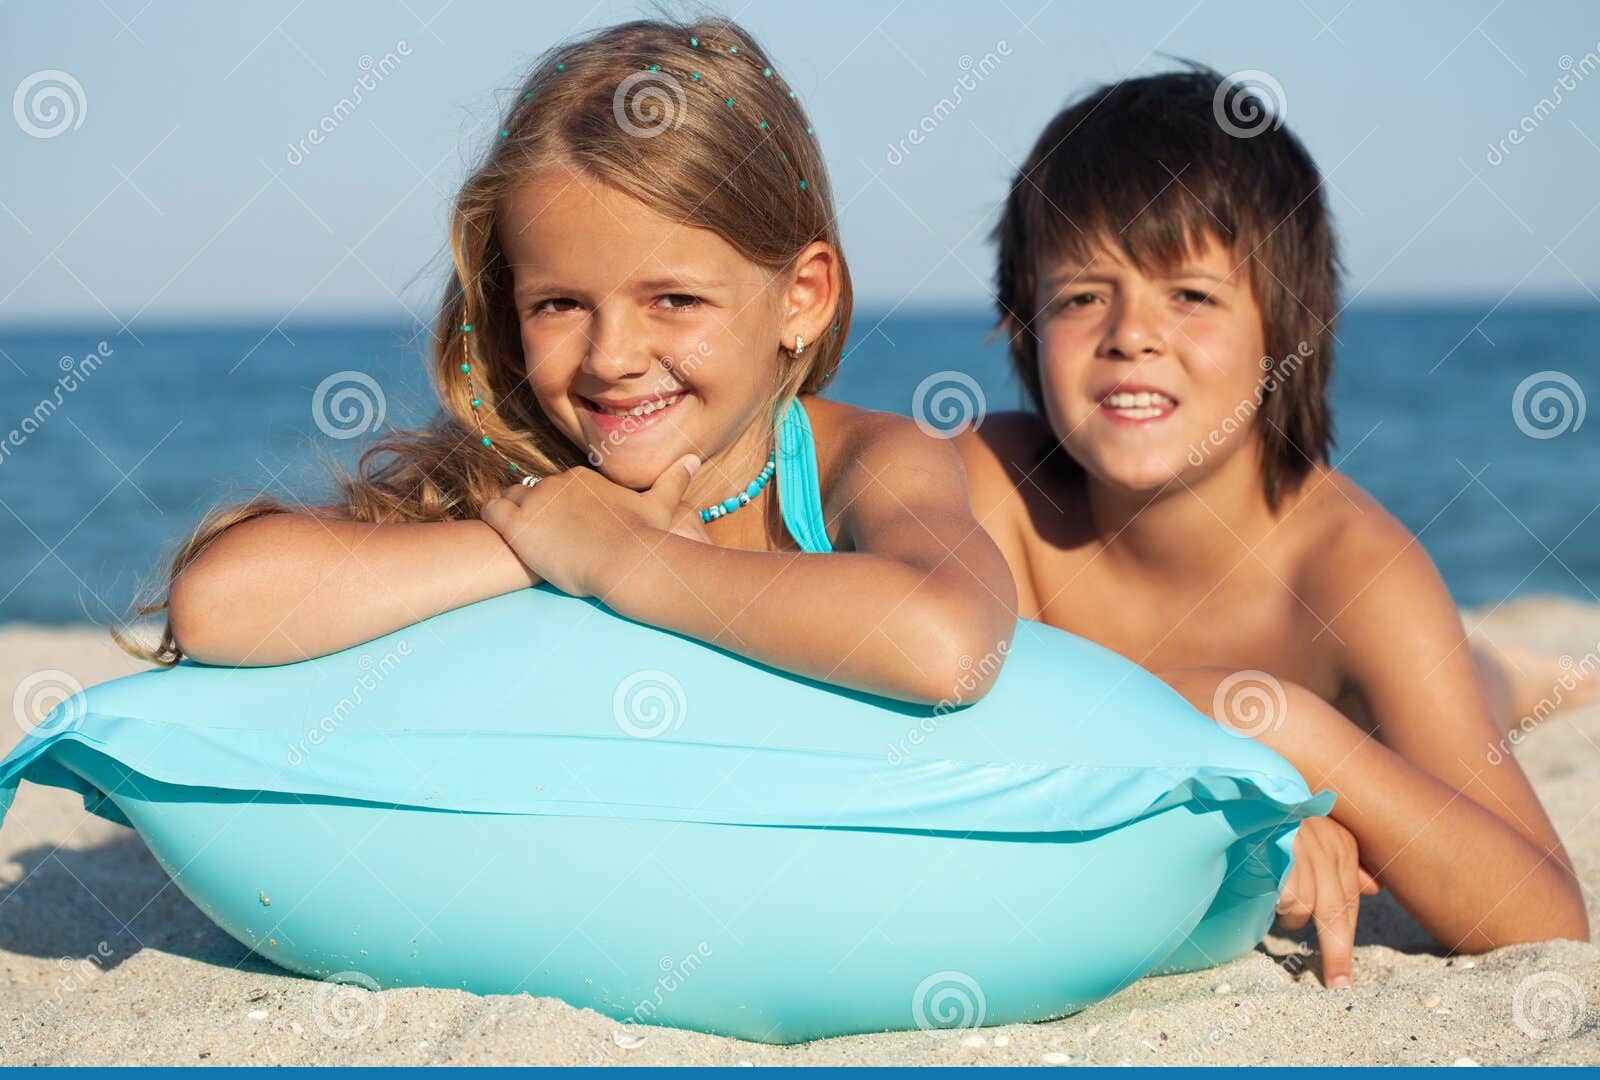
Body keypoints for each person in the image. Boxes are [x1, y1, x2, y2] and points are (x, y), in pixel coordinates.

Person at [120, 17, 1018, 710]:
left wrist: (627, 560)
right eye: (559, 305)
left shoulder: (860, 463)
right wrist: (532, 547)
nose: (611, 358)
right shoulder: (519, 476)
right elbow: (219, 604)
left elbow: (947, 643)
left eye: (675, 300)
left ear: (802, 298)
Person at [960, 66, 1590, 987]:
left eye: (1191, 295)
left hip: (1375, 699)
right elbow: (967, 742)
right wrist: (1252, 770)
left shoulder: (1355, 569)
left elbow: (1545, 916)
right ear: (1027, 325)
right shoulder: (996, 491)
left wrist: (1292, 729)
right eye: (1082, 296)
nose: (1130, 333)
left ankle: (1537, 673)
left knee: (1481, 683)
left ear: (1283, 330)